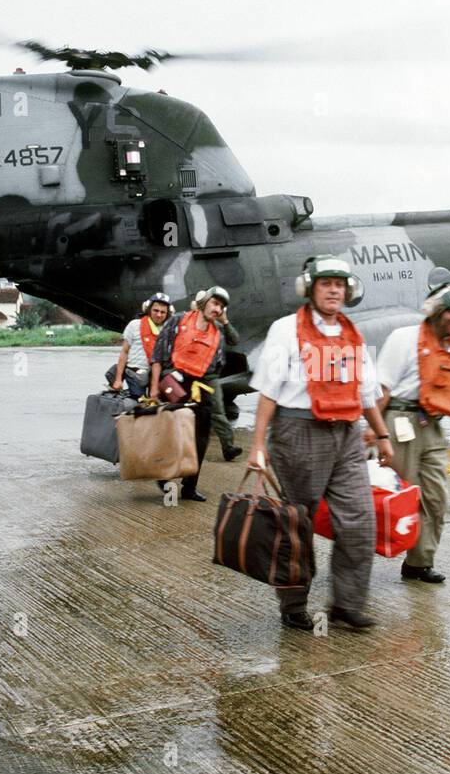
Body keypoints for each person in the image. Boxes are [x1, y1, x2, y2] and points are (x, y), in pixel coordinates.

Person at [248, 256, 394, 631]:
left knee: (360, 521)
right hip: (298, 434)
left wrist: (382, 435)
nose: (334, 290)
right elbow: (268, 392)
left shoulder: (351, 333)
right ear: (309, 288)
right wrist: (257, 447)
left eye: (340, 284)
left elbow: (366, 392)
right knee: (298, 524)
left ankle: (347, 604)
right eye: (326, 283)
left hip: (346, 436)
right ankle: (294, 604)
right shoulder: (286, 330)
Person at [374, 283, 450, 583]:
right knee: (394, 494)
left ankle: (419, 563)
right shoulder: (403, 339)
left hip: (431, 425)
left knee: (436, 497)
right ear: (434, 312)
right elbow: (382, 388)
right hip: (398, 420)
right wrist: (374, 430)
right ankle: (356, 554)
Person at [148, 287, 228, 502]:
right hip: (173, 381)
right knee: (170, 435)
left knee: (200, 440)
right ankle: (164, 477)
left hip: (200, 386)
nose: (217, 309)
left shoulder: (218, 334)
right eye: (215, 303)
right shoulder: (177, 321)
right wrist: (155, 387)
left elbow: (217, 366)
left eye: (221, 306)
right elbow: (157, 355)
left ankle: (189, 487)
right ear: (204, 303)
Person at [112, 293, 172, 399]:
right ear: (149, 310)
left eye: (163, 312)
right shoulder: (134, 325)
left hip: (157, 373)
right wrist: (118, 379)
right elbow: (124, 352)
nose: (159, 315)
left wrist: (155, 387)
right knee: (139, 401)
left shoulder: (168, 331)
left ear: (167, 314)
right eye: (156, 310)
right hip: (137, 372)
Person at [207, 311, 244, 462]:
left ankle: (228, 448)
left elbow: (234, 340)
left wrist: (226, 322)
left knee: (217, 413)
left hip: (211, 376)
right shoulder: (188, 327)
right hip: (192, 375)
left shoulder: (217, 326)